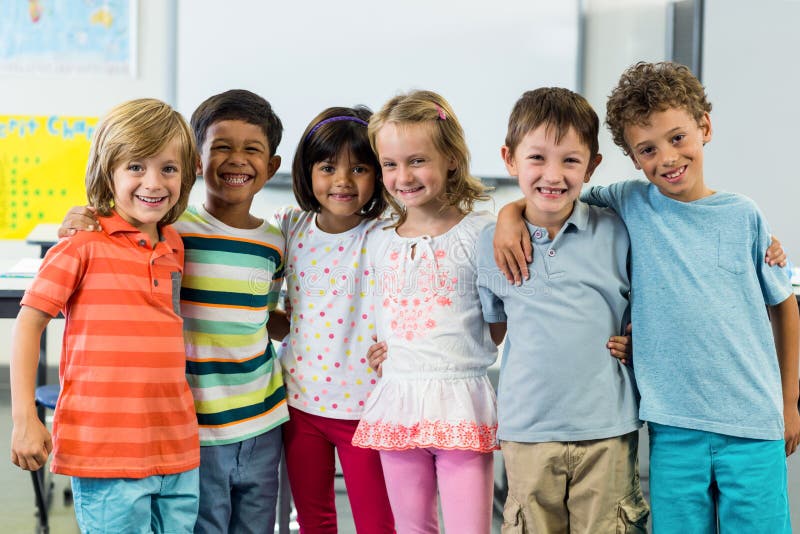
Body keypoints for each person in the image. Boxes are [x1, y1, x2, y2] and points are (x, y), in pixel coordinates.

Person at [494, 62, 800, 533]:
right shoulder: (630, 202)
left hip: (753, 424)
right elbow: (554, 192)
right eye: (648, 149)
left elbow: (784, 306)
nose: (667, 158)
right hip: (672, 428)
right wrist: (508, 215)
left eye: (678, 138)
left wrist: (790, 401)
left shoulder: (744, 216)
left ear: (705, 128)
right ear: (634, 158)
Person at [57, 89, 290, 533]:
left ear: (271, 166)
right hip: (193, 426)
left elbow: (264, 314)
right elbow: (117, 225)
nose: (236, 160)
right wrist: (78, 217)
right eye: (221, 146)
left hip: (262, 418)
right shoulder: (169, 231)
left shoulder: (275, 241)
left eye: (251, 150)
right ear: (196, 162)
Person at [11, 98, 200, 532]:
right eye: (135, 166)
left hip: (176, 448)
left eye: (168, 169)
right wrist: (25, 418)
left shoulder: (173, 244)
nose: (153, 182)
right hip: (105, 452)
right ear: (107, 171)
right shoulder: (81, 245)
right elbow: (29, 323)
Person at [475, 87, 648, 533]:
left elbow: (649, 303)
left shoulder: (619, 229)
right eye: (537, 159)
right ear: (509, 159)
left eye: (570, 160)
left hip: (607, 428)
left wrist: (640, 340)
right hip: (528, 430)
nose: (553, 174)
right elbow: (492, 329)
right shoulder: (489, 244)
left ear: (592, 166)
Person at [350, 90, 504, 534]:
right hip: (398, 397)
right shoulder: (377, 238)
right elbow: (379, 311)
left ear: (451, 158)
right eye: (390, 165)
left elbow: (496, 324)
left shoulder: (480, 234)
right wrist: (389, 347)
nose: (403, 176)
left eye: (417, 160)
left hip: (460, 401)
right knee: (412, 527)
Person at [272, 106, 395, 533]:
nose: (342, 181)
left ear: (379, 174)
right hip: (300, 404)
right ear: (307, 173)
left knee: (377, 522)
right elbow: (265, 308)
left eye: (359, 168)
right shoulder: (291, 226)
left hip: (366, 407)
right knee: (312, 520)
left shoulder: (386, 231)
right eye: (327, 167)